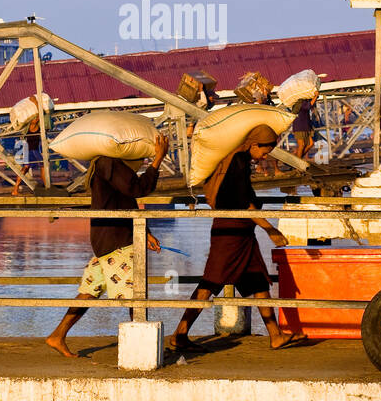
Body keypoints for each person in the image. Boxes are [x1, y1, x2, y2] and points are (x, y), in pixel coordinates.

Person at [168, 125, 301, 352]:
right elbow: (244, 203)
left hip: (243, 232)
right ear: (253, 145)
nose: (265, 156)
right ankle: (180, 333)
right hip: (230, 231)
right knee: (210, 282)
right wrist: (271, 230)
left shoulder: (239, 162)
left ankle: (275, 335)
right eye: (265, 151)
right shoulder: (238, 161)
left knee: (258, 281)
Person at [46, 134, 169, 358]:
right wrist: (157, 160)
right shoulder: (109, 163)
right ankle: (142, 348)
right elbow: (137, 189)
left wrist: (145, 231)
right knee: (136, 292)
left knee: (90, 291)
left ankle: (58, 335)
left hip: (108, 238)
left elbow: (125, 201)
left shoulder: (107, 165)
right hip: (116, 240)